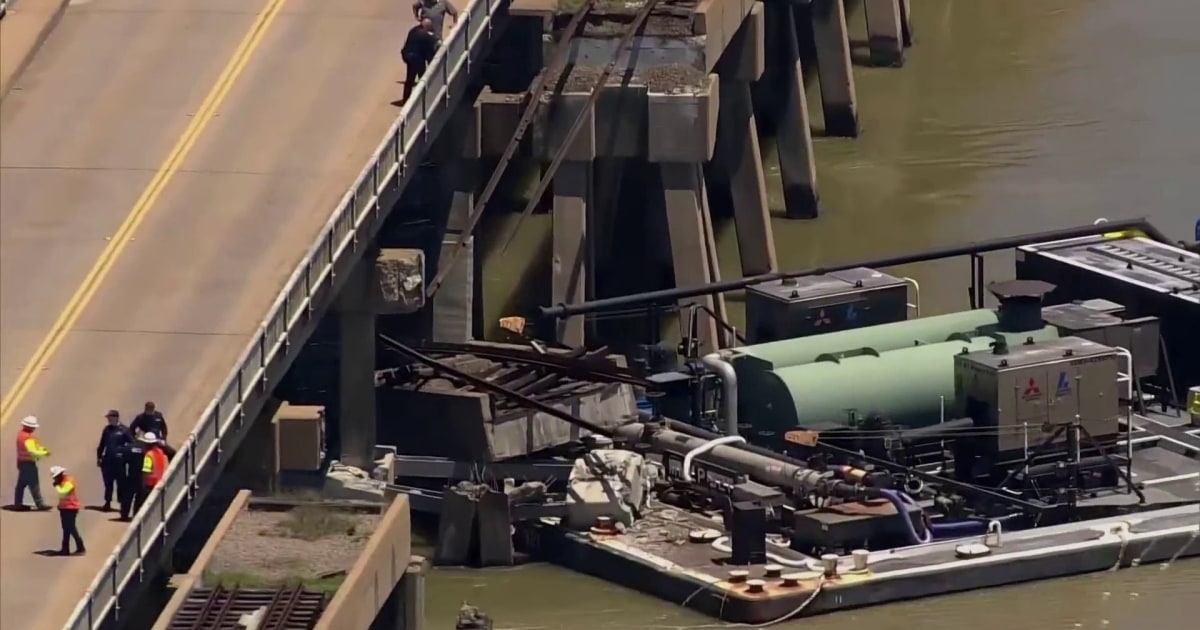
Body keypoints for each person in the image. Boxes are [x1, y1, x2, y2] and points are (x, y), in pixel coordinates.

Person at [95, 409, 132, 512]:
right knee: (108, 483)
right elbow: (102, 444)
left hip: (120, 461)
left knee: (121, 483)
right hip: (108, 460)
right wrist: (99, 457)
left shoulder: (124, 430)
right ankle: (107, 502)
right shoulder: (107, 430)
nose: (108, 420)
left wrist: (125, 455)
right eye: (108, 418)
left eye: (110, 417)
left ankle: (122, 504)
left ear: (115, 417)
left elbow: (131, 444)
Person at [13, 415, 51, 511]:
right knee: (34, 484)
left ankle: (18, 504)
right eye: (33, 426)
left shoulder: (21, 435)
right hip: (28, 463)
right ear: (30, 427)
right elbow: (33, 451)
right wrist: (45, 453)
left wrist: (41, 449)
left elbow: (33, 448)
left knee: (21, 484)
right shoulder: (28, 438)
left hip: (22, 462)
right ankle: (40, 504)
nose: (34, 428)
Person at [49, 466, 85, 556]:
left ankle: (80, 547)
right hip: (64, 508)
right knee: (66, 529)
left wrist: (57, 486)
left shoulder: (69, 481)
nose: (55, 479)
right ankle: (65, 549)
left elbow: (63, 492)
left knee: (70, 528)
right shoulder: (61, 481)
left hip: (71, 508)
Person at [401, 18, 438, 103]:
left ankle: (406, 99)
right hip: (416, 58)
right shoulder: (426, 36)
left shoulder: (414, 30)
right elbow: (429, 52)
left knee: (409, 79)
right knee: (422, 77)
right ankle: (423, 98)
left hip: (407, 55)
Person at [136, 432, 169, 516]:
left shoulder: (148, 455)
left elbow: (146, 471)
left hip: (150, 485)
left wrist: (142, 486)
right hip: (159, 482)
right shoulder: (160, 452)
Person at [117, 433, 148, 522]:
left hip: (131, 474)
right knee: (139, 496)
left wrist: (123, 475)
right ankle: (136, 515)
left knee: (127, 496)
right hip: (142, 476)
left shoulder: (128, 447)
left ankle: (124, 514)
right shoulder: (146, 448)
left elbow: (122, 462)